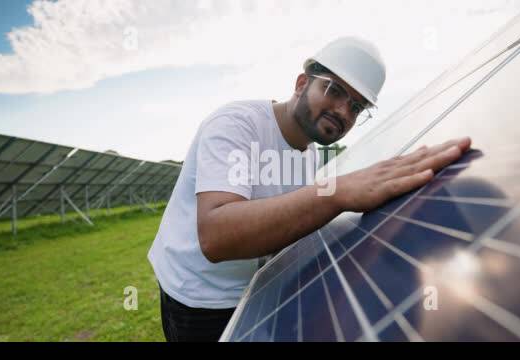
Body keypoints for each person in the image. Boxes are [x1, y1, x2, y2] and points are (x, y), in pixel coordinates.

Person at [148, 36, 472, 342]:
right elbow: (216, 236)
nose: (343, 112)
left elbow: (289, 220)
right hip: (198, 299)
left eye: (357, 107)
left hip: (250, 291)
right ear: (302, 83)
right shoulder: (237, 125)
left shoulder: (310, 153)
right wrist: (337, 194)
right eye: (333, 90)